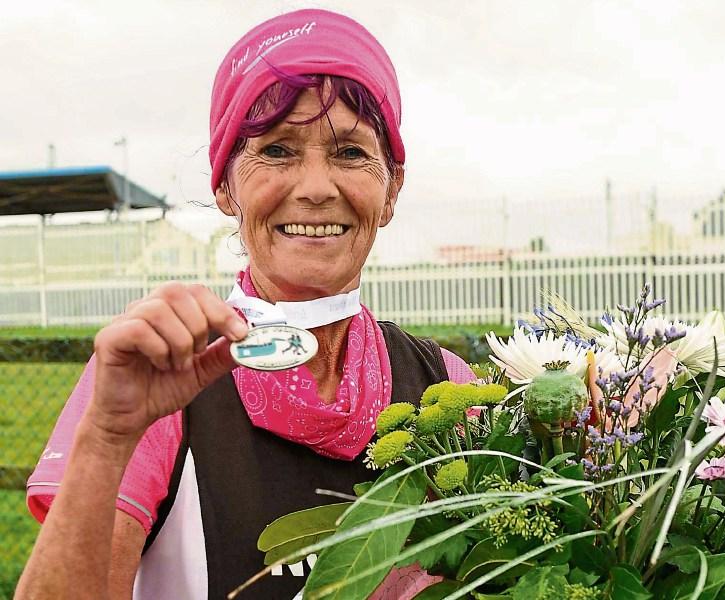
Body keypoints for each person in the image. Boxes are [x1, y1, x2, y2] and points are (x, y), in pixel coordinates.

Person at [15, 8, 475, 600]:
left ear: (391, 190)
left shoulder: (449, 388)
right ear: (226, 186)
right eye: (278, 150)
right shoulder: (160, 383)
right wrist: (106, 438)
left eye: (351, 153)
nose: (315, 186)